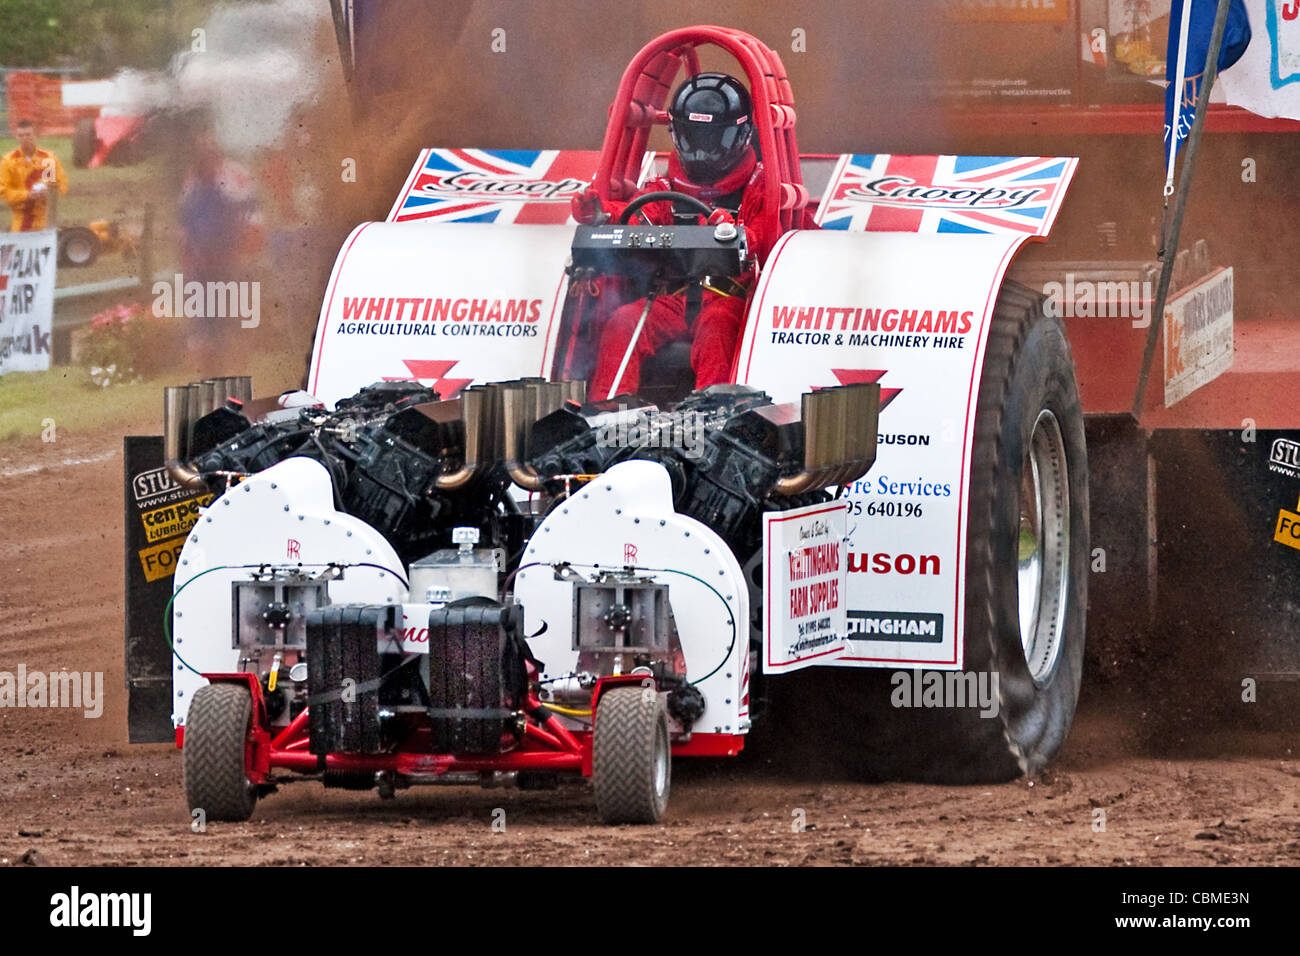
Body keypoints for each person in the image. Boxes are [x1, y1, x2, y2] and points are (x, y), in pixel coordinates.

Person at [587, 73, 770, 400]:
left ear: (741, 135)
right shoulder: (664, 188)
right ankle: (608, 417)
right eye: (693, 137)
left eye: (711, 139)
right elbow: (638, 216)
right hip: (671, 300)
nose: (701, 151)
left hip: (729, 301)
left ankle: (711, 420)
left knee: (718, 327)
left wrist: (734, 234)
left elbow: (766, 237)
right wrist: (603, 215)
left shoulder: (759, 188)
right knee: (623, 321)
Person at [1, 119, 69, 231]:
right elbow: (4, 192)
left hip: (46, 219)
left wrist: (50, 193)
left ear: (35, 135)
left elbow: (61, 184)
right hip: (21, 219)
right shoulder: (8, 161)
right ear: (16, 137)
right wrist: (27, 195)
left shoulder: (48, 158)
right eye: (21, 135)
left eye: (28, 134)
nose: (25, 138)